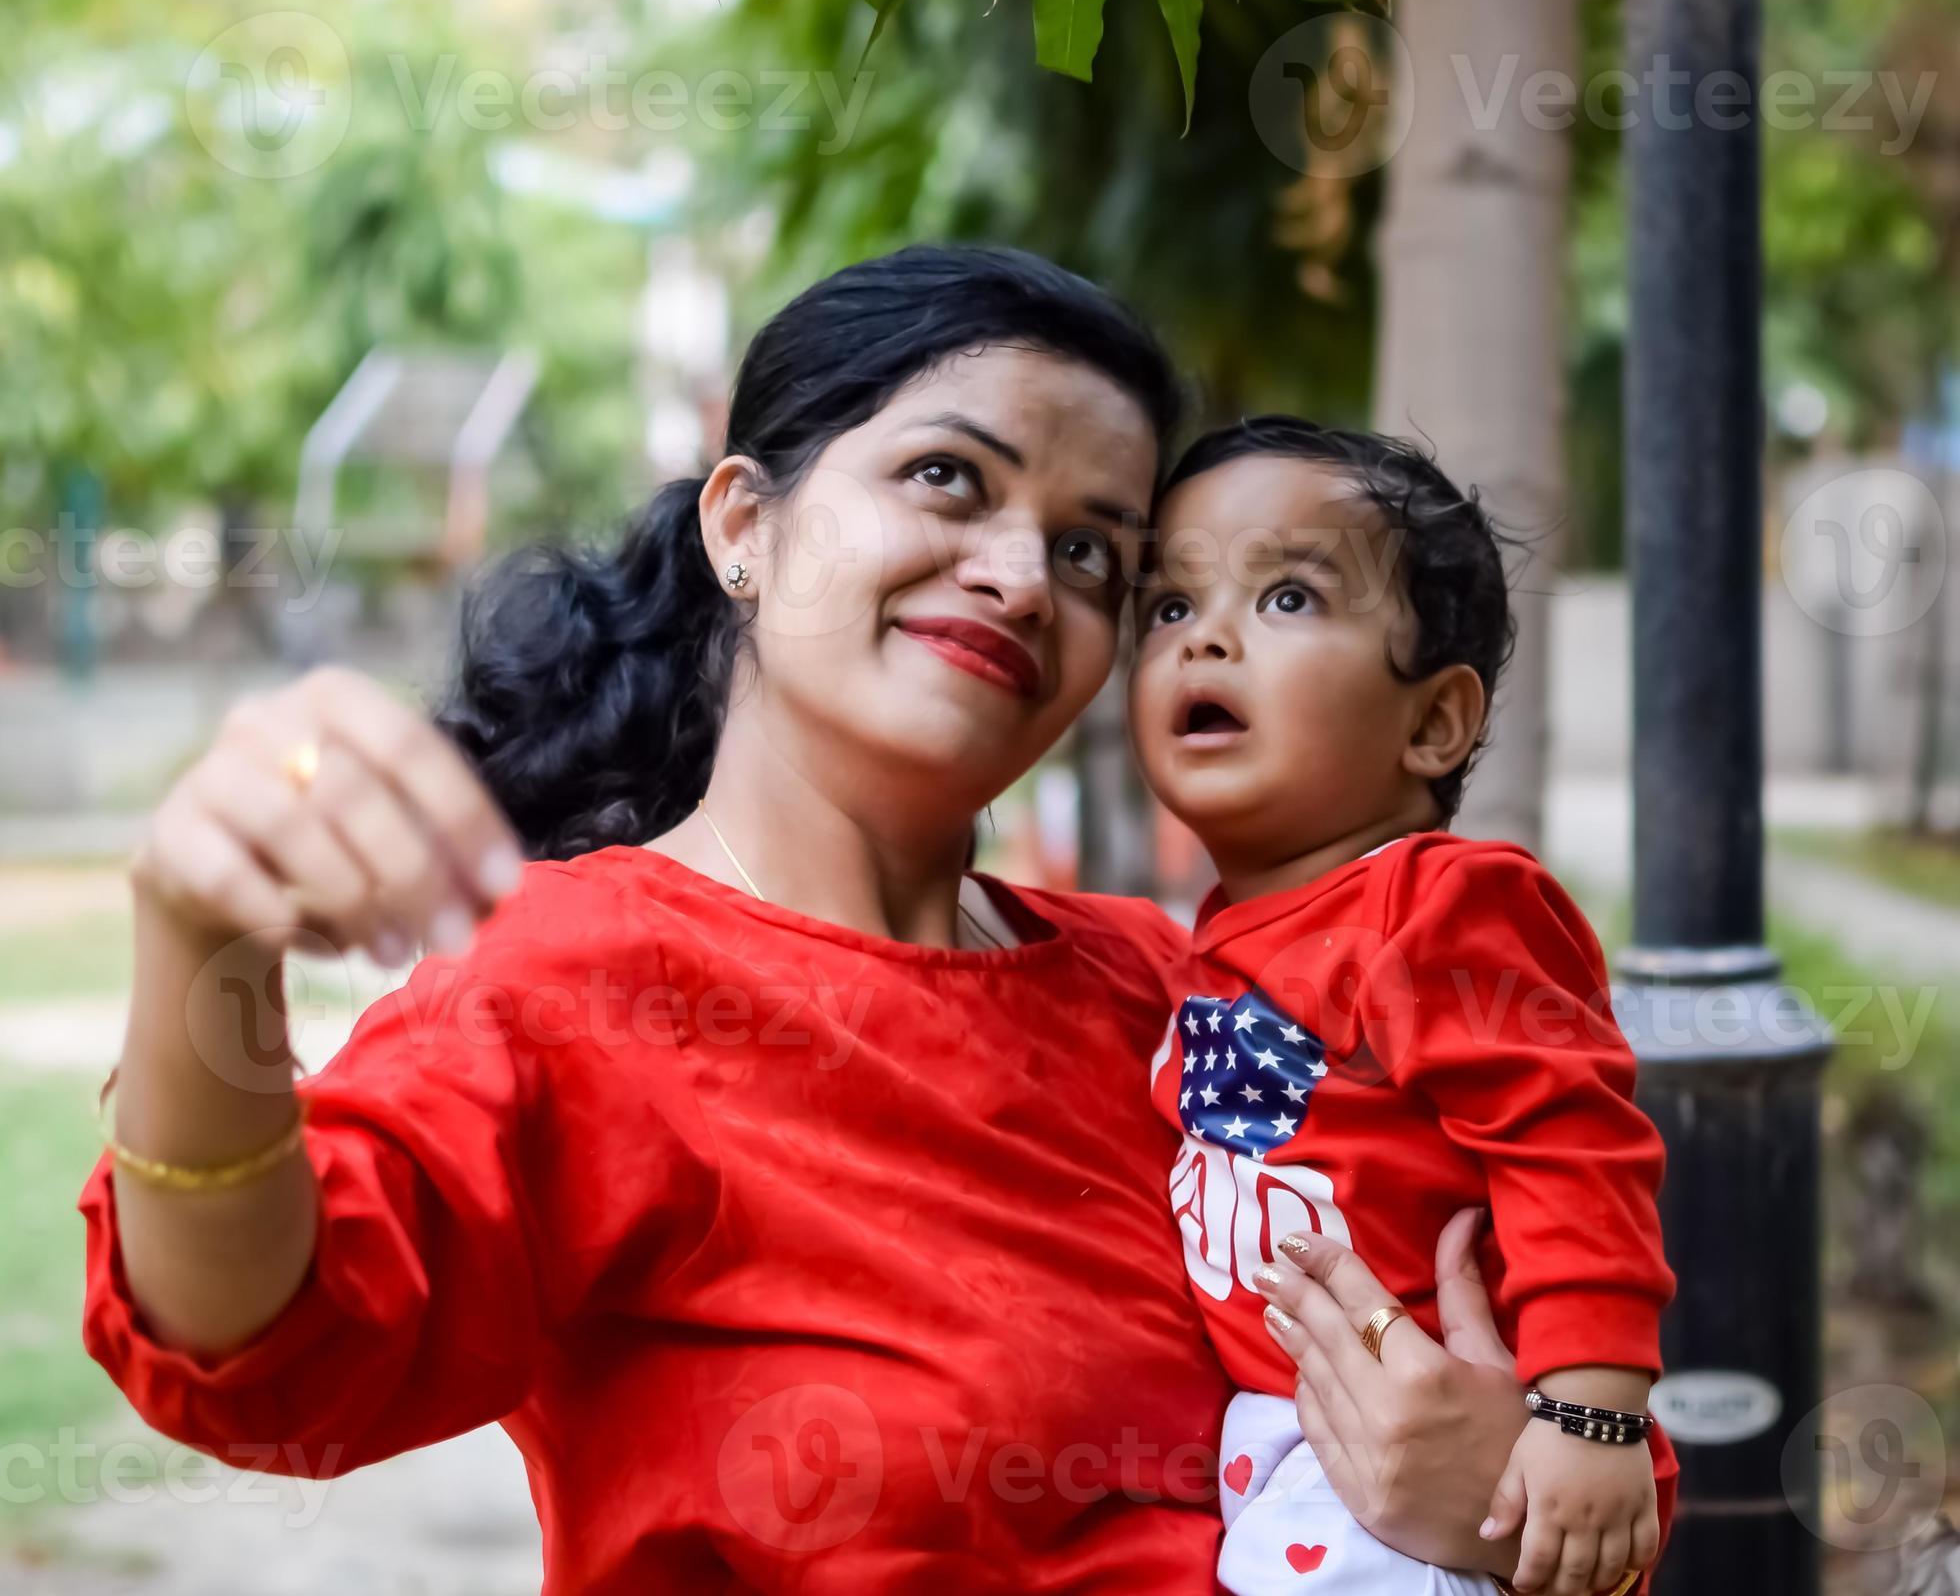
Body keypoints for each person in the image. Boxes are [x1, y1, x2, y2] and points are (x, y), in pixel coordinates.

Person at [81, 245, 1565, 1592]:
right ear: (747, 524)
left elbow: (1526, 1356)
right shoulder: (573, 977)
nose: (1016, 574)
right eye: (948, 479)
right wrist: (198, 941)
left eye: (1093, 551)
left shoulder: (1176, 994)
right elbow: (262, 1346)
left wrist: (1496, 1484)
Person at [1127, 418, 1679, 1596]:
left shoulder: (1442, 904)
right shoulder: (1223, 934)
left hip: (1446, 1447)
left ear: (1432, 722)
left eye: (1285, 597)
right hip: (1293, 1442)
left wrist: (1593, 1420)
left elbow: (1575, 1144)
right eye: (1169, 607)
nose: (1204, 637)